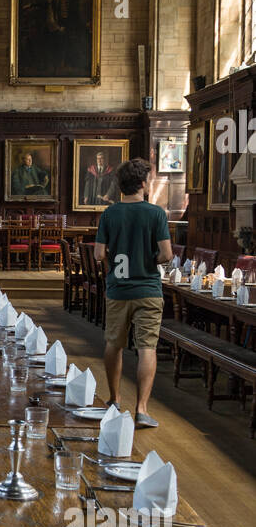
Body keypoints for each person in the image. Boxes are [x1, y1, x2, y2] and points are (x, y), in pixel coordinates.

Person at [94, 157, 172, 429]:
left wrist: (113, 269)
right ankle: (142, 409)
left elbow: (98, 253)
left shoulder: (109, 214)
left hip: (118, 289)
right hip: (148, 289)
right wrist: (147, 260)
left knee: (114, 343)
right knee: (146, 348)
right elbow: (166, 254)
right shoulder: (155, 214)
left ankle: (114, 399)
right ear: (142, 183)